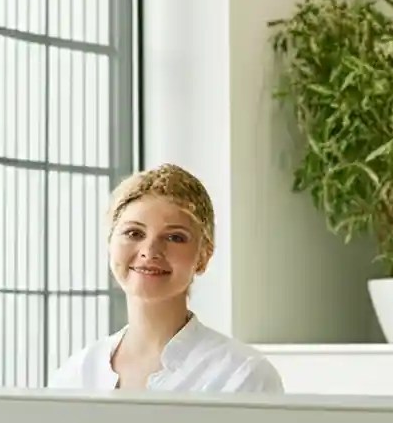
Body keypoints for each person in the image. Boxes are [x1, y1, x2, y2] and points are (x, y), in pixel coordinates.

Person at [49, 163, 284, 393]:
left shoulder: (243, 376)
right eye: (134, 233)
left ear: (203, 256)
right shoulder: (76, 375)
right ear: (110, 244)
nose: (150, 251)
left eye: (174, 237)